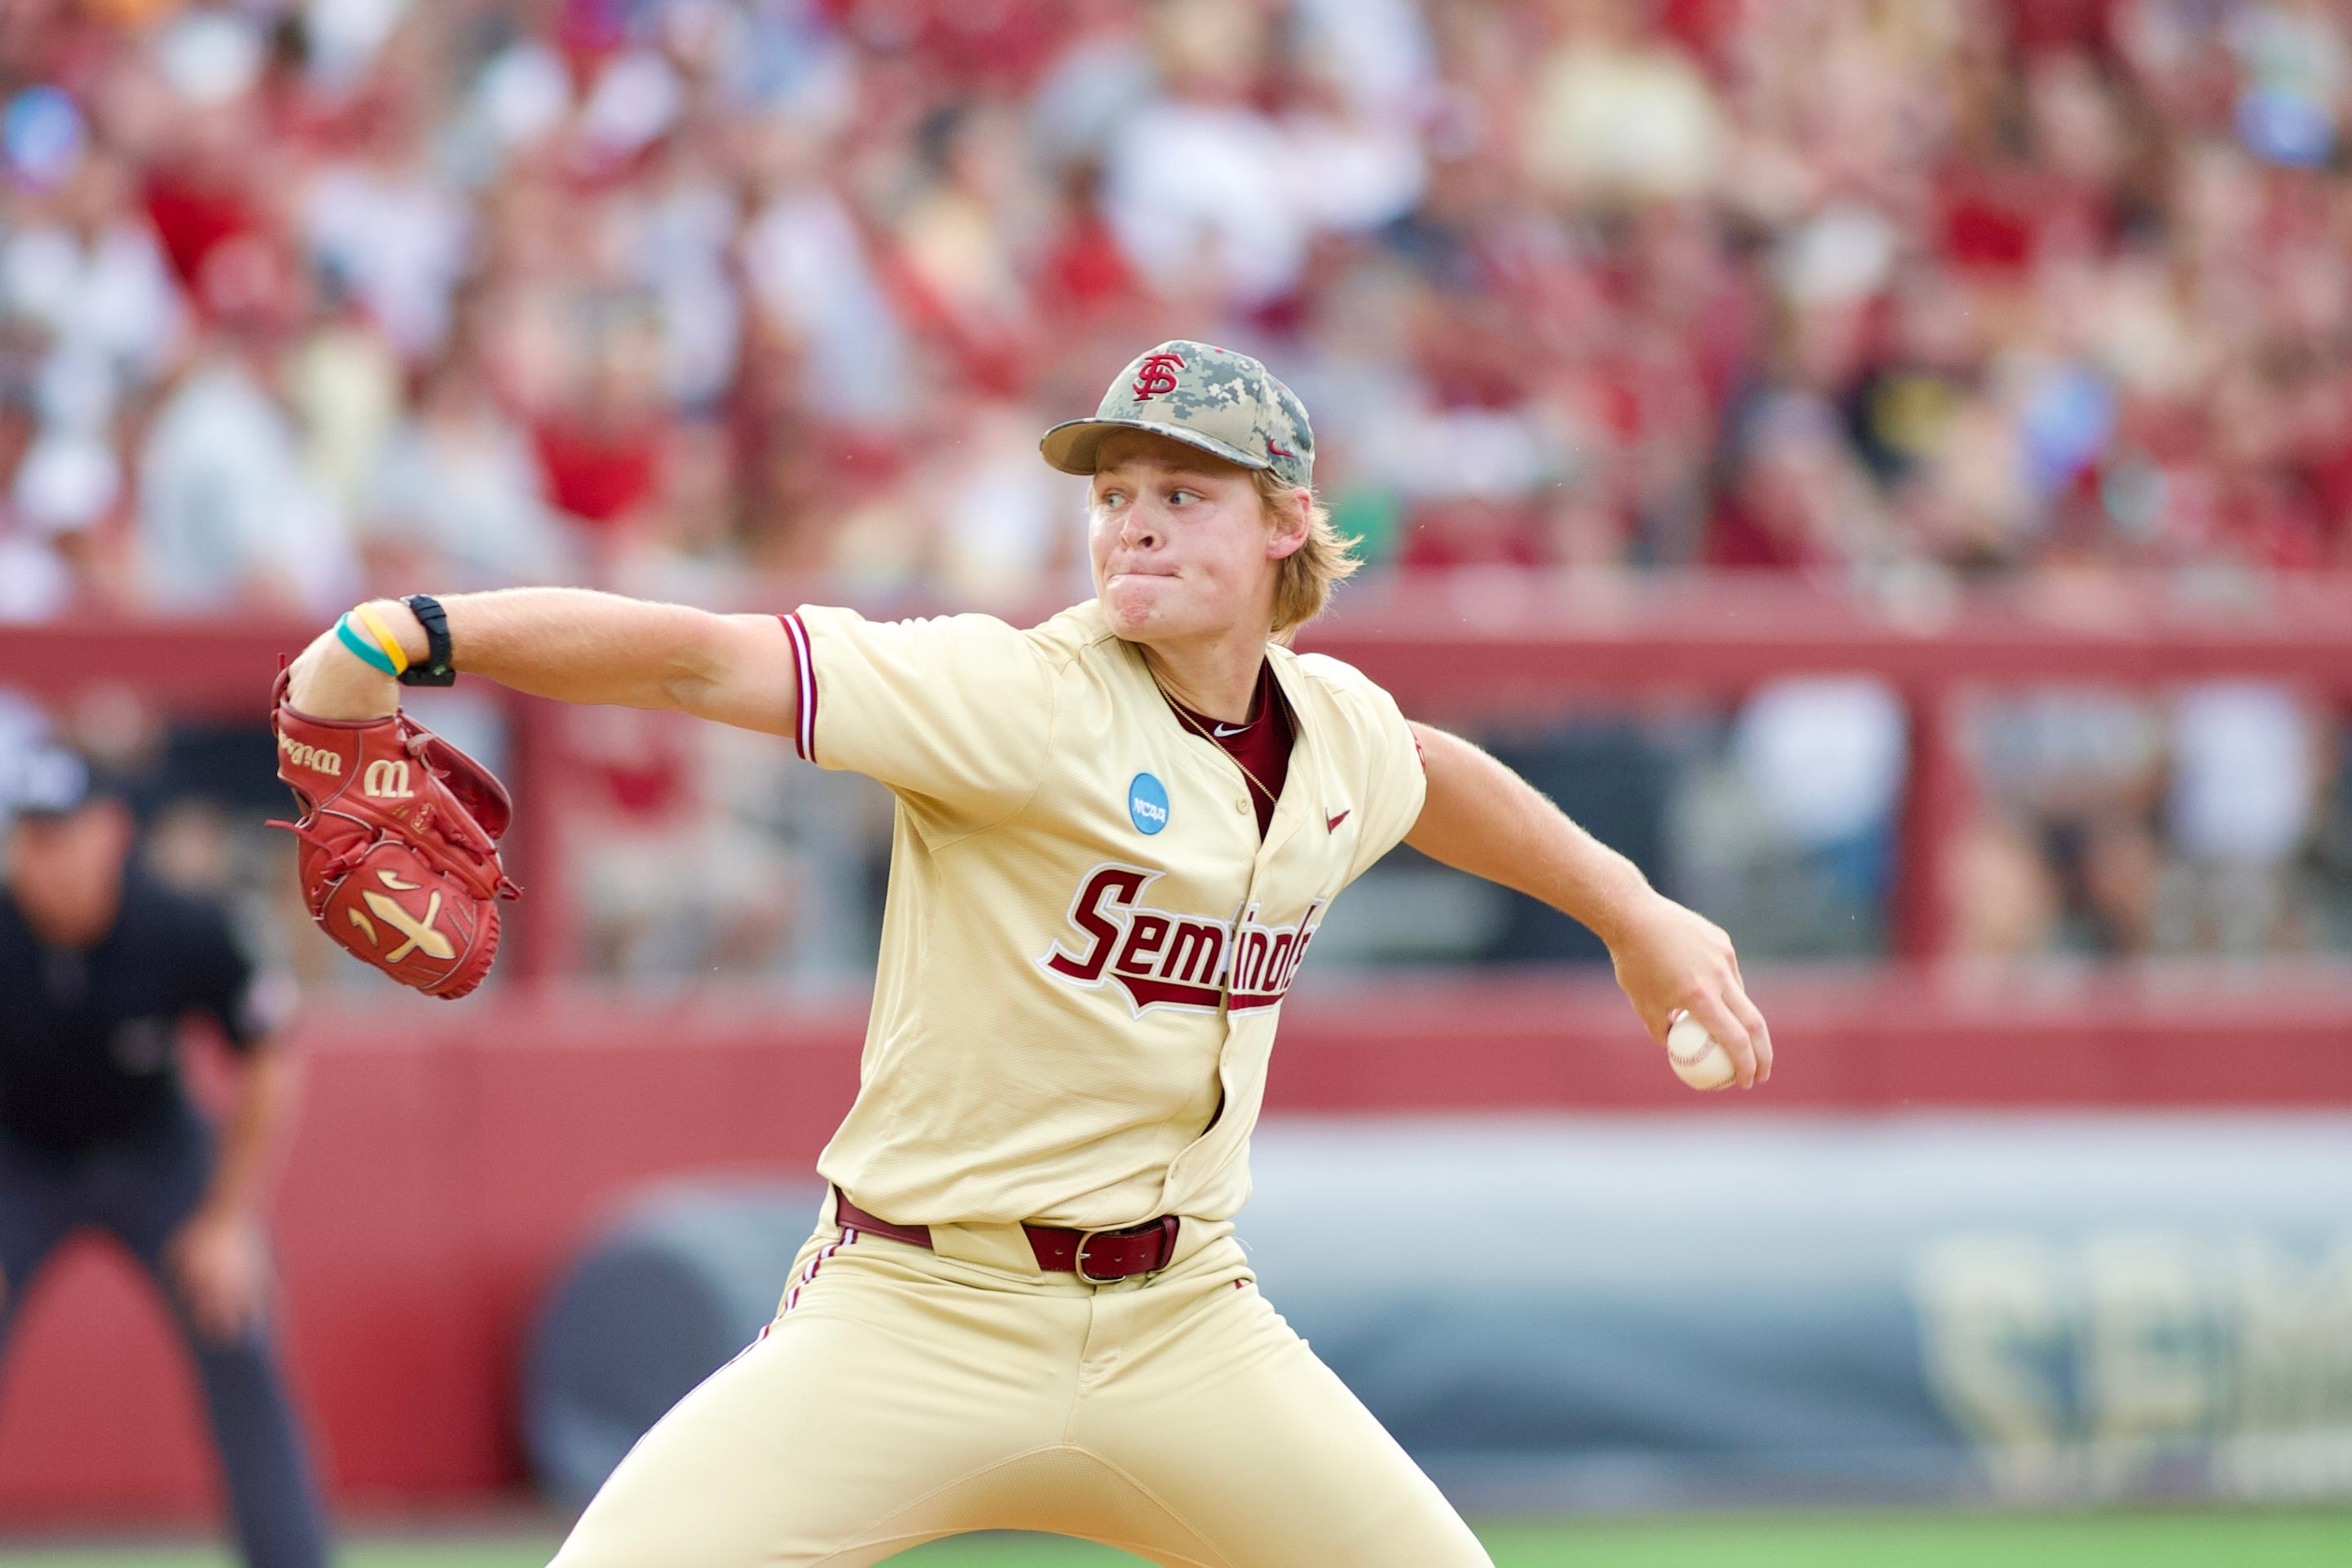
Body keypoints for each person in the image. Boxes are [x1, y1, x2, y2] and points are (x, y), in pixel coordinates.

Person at [284, 340, 1772, 1566]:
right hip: (920, 1308)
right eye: (1114, 491)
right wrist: (407, 631)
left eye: (1183, 493)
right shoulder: (1013, 694)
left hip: (1187, 1321)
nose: (1132, 520)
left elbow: (1434, 774)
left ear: (1285, 525)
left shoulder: (1333, 731)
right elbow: (699, 653)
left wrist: (1633, 910)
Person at [0, 748, 330, 1568]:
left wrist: (229, 1219)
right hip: (17, 1162)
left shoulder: (182, 921)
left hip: (156, 1155)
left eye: (62, 836)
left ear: (111, 834)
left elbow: (269, 1056)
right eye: (29, 839)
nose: (45, 860)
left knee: (235, 1313)